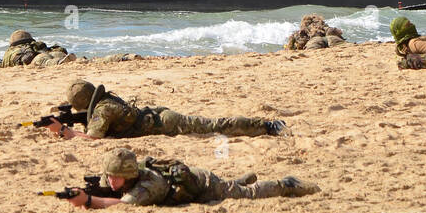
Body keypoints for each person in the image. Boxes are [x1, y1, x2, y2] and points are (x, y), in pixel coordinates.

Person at [62, 148, 319, 208]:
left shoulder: (147, 186)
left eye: (116, 178)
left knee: (245, 195)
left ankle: (286, 184)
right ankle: (240, 179)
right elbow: (108, 189)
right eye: (110, 176)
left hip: (204, 186)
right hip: (189, 179)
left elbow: (120, 205)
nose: (112, 181)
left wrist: (87, 201)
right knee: (233, 185)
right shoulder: (124, 176)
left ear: (128, 175)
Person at [43, 80, 288, 139]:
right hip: (158, 116)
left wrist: (65, 131)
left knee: (213, 126)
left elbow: (93, 138)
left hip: (166, 123)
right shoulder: (105, 102)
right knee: (211, 125)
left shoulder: (102, 111)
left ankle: (266, 126)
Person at [0, 30, 76, 67]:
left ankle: (59, 62)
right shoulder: (32, 45)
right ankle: (64, 59)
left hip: (38, 58)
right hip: (49, 54)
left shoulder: (11, 51)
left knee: (44, 61)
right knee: (55, 55)